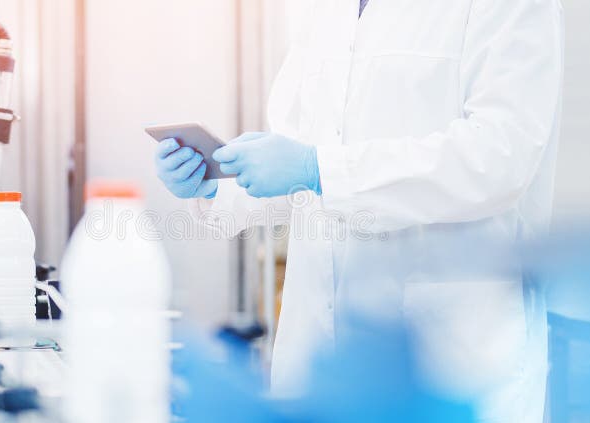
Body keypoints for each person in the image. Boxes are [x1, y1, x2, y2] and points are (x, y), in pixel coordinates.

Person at [154, 1, 563, 421]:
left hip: (450, 358)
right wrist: (215, 182)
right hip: (316, 360)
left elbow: (498, 157)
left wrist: (319, 169)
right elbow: (294, 154)